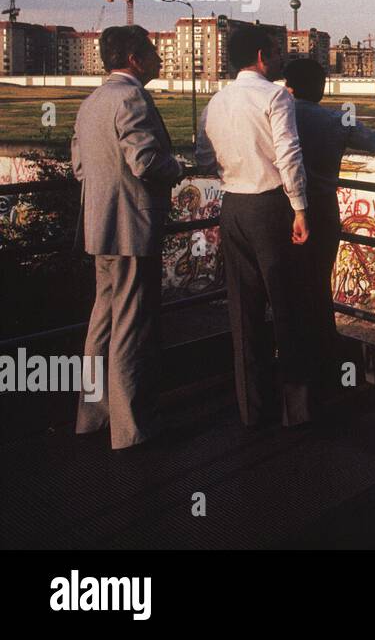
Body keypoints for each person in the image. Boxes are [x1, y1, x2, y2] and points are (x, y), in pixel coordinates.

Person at [71, 26, 184, 449]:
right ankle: (130, 429)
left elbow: (81, 169)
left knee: (101, 321)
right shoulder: (132, 98)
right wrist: (178, 169)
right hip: (133, 227)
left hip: (98, 227)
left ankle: (92, 415)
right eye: (154, 52)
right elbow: (146, 161)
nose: (159, 59)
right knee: (132, 326)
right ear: (135, 58)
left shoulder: (92, 101)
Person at [195, 24, 312, 427]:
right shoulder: (275, 95)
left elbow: (204, 159)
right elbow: (289, 153)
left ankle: (252, 410)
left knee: (243, 315)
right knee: (286, 308)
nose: (281, 58)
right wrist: (299, 208)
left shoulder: (216, 101)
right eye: (276, 52)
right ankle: (296, 410)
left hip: (233, 207)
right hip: (270, 207)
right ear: (262, 56)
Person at [282, 57, 375, 402]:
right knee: (317, 289)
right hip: (323, 213)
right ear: (322, 87)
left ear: (289, 86)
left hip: (281, 212)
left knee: (287, 292)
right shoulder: (334, 119)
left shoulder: (277, 115)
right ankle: (326, 374)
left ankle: (293, 378)